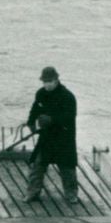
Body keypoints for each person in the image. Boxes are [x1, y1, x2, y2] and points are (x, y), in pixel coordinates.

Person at [25, 65, 78, 204]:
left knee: (67, 167)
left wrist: (52, 119)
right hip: (47, 137)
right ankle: (33, 192)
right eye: (44, 81)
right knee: (38, 165)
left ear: (56, 80)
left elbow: (70, 117)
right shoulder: (41, 94)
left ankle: (71, 194)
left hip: (64, 138)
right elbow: (35, 108)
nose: (46, 84)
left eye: (49, 81)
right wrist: (30, 121)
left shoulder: (68, 97)